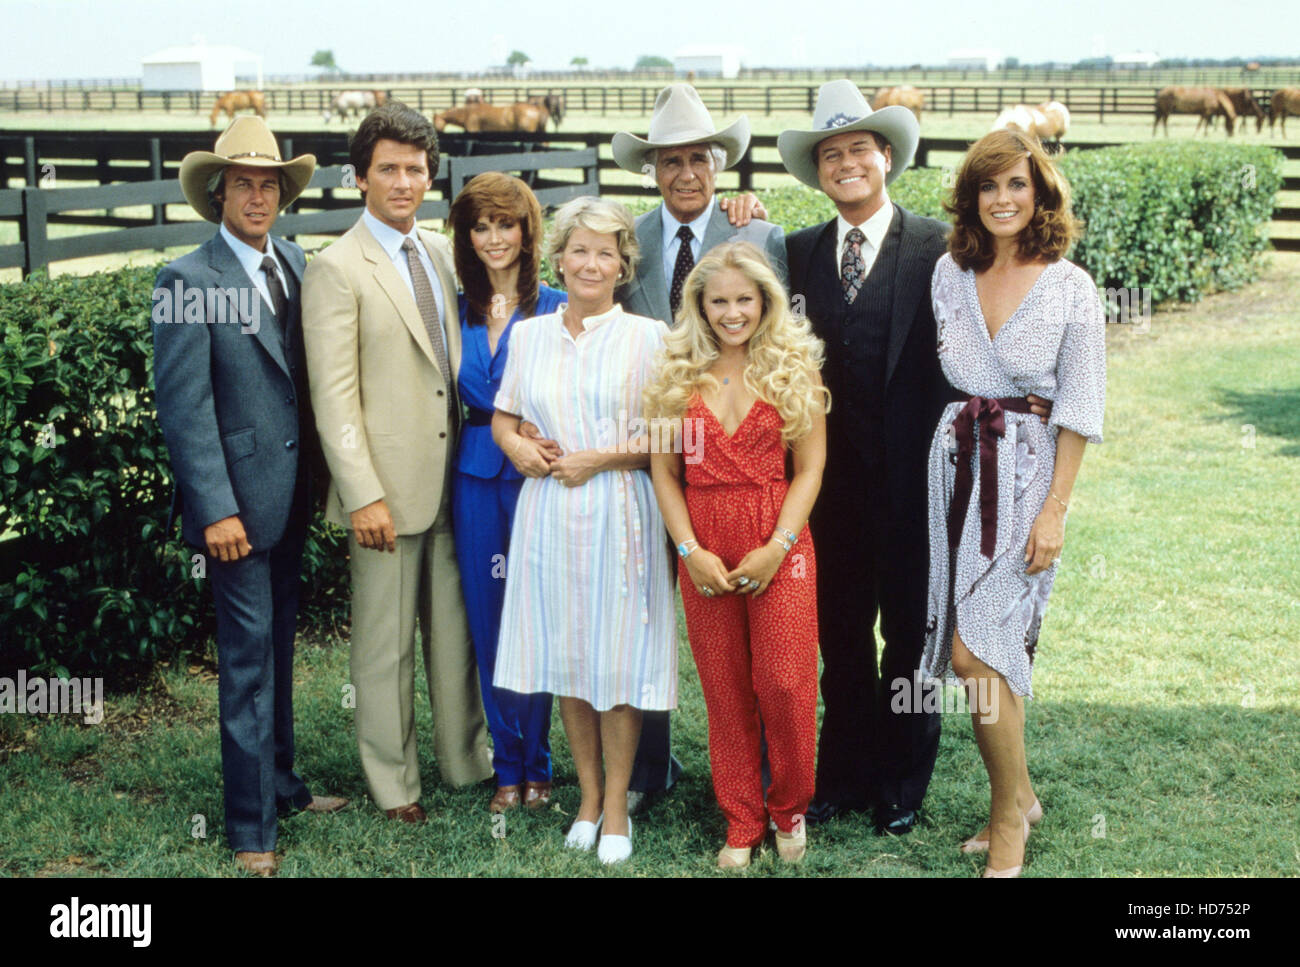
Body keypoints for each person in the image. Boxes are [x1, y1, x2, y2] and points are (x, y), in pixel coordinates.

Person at [778, 80, 1052, 835]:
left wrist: (1025, 403)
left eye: (859, 149)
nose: (846, 164)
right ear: (819, 172)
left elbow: (1006, 295)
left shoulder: (940, 248)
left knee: (913, 639)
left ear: (888, 156)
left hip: (921, 489)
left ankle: (901, 780)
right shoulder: (797, 253)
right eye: (830, 155)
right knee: (838, 637)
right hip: (826, 492)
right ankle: (843, 773)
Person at [151, 116, 346, 876]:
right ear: (217, 191)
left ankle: (285, 784)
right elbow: (184, 409)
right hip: (233, 506)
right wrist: (214, 508)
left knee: (278, 650)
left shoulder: (296, 263)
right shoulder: (185, 282)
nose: (258, 196)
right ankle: (249, 825)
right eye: (244, 183)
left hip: (289, 496)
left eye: (270, 184)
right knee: (246, 662)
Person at [302, 102, 493, 824]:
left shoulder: (441, 253)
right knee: (385, 651)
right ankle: (393, 783)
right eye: (389, 168)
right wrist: (361, 494)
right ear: (360, 178)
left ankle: (465, 761)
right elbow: (335, 399)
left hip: (452, 484)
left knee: (455, 634)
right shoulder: (337, 269)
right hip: (382, 494)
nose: (405, 181)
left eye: (417, 169)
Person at [921, 128, 1105, 877]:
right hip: (958, 467)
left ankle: (1007, 820)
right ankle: (1021, 794)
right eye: (988, 187)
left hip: (1028, 480)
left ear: (1040, 193)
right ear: (972, 198)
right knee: (984, 650)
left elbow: (1081, 404)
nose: (1003, 199)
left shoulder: (1071, 286)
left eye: (1017, 186)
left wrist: (1056, 508)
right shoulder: (947, 272)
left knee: (977, 652)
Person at [610, 82, 785, 812]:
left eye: (697, 160)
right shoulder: (631, 243)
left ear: (719, 164)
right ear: (652, 170)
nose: (685, 174)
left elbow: (785, 344)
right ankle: (649, 767)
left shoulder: (759, 236)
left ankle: (765, 777)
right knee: (644, 608)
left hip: (736, 462)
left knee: (750, 624)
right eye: (669, 162)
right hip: (654, 445)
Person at [491, 196, 676, 865]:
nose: (591, 263)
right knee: (569, 656)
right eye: (579, 250)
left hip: (621, 510)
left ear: (623, 264)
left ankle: (621, 801)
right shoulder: (531, 333)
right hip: (549, 514)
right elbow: (504, 417)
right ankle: (589, 795)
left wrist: (600, 456)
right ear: (559, 259)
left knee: (618, 661)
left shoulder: (649, 338)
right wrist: (514, 447)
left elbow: (670, 437)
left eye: (606, 252)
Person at [645, 242, 828, 868]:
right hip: (705, 542)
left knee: (783, 681)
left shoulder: (792, 366)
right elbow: (664, 475)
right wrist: (689, 550)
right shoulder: (676, 371)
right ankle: (742, 821)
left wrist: (778, 547)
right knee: (724, 689)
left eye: (743, 299)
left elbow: (810, 469)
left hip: (778, 536)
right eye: (718, 300)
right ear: (699, 304)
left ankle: (790, 807)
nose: (731, 312)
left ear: (764, 301)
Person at [447, 173, 565, 813]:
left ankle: (540, 764)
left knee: (538, 617)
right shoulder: (452, 305)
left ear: (527, 231)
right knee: (489, 621)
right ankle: (506, 766)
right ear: (467, 236)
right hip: (472, 474)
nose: (495, 238)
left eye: (507, 224)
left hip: (539, 472)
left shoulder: (553, 305)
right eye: (481, 226)